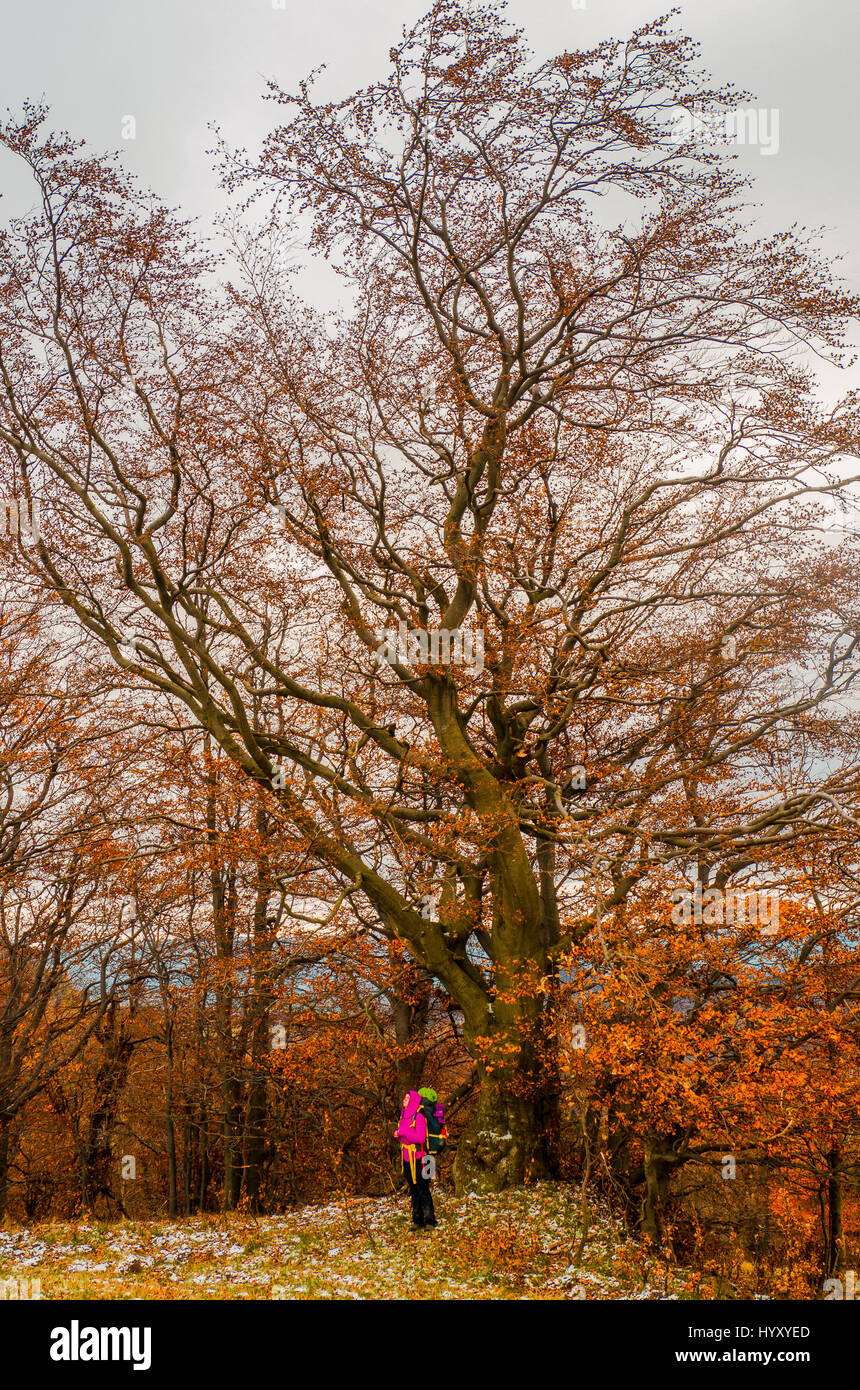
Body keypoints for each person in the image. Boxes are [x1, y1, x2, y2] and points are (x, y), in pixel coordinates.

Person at [399, 1086, 443, 1231]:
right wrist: (399, 1134)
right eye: (405, 1097)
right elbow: (404, 1136)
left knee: (423, 1188)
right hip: (407, 1159)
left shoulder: (418, 1116)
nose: (404, 1100)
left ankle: (430, 1221)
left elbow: (420, 1137)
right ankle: (417, 1221)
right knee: (413, 1189)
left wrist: (404, 1132)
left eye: (407, 1098)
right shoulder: (404, 1115)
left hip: (421, 1158)